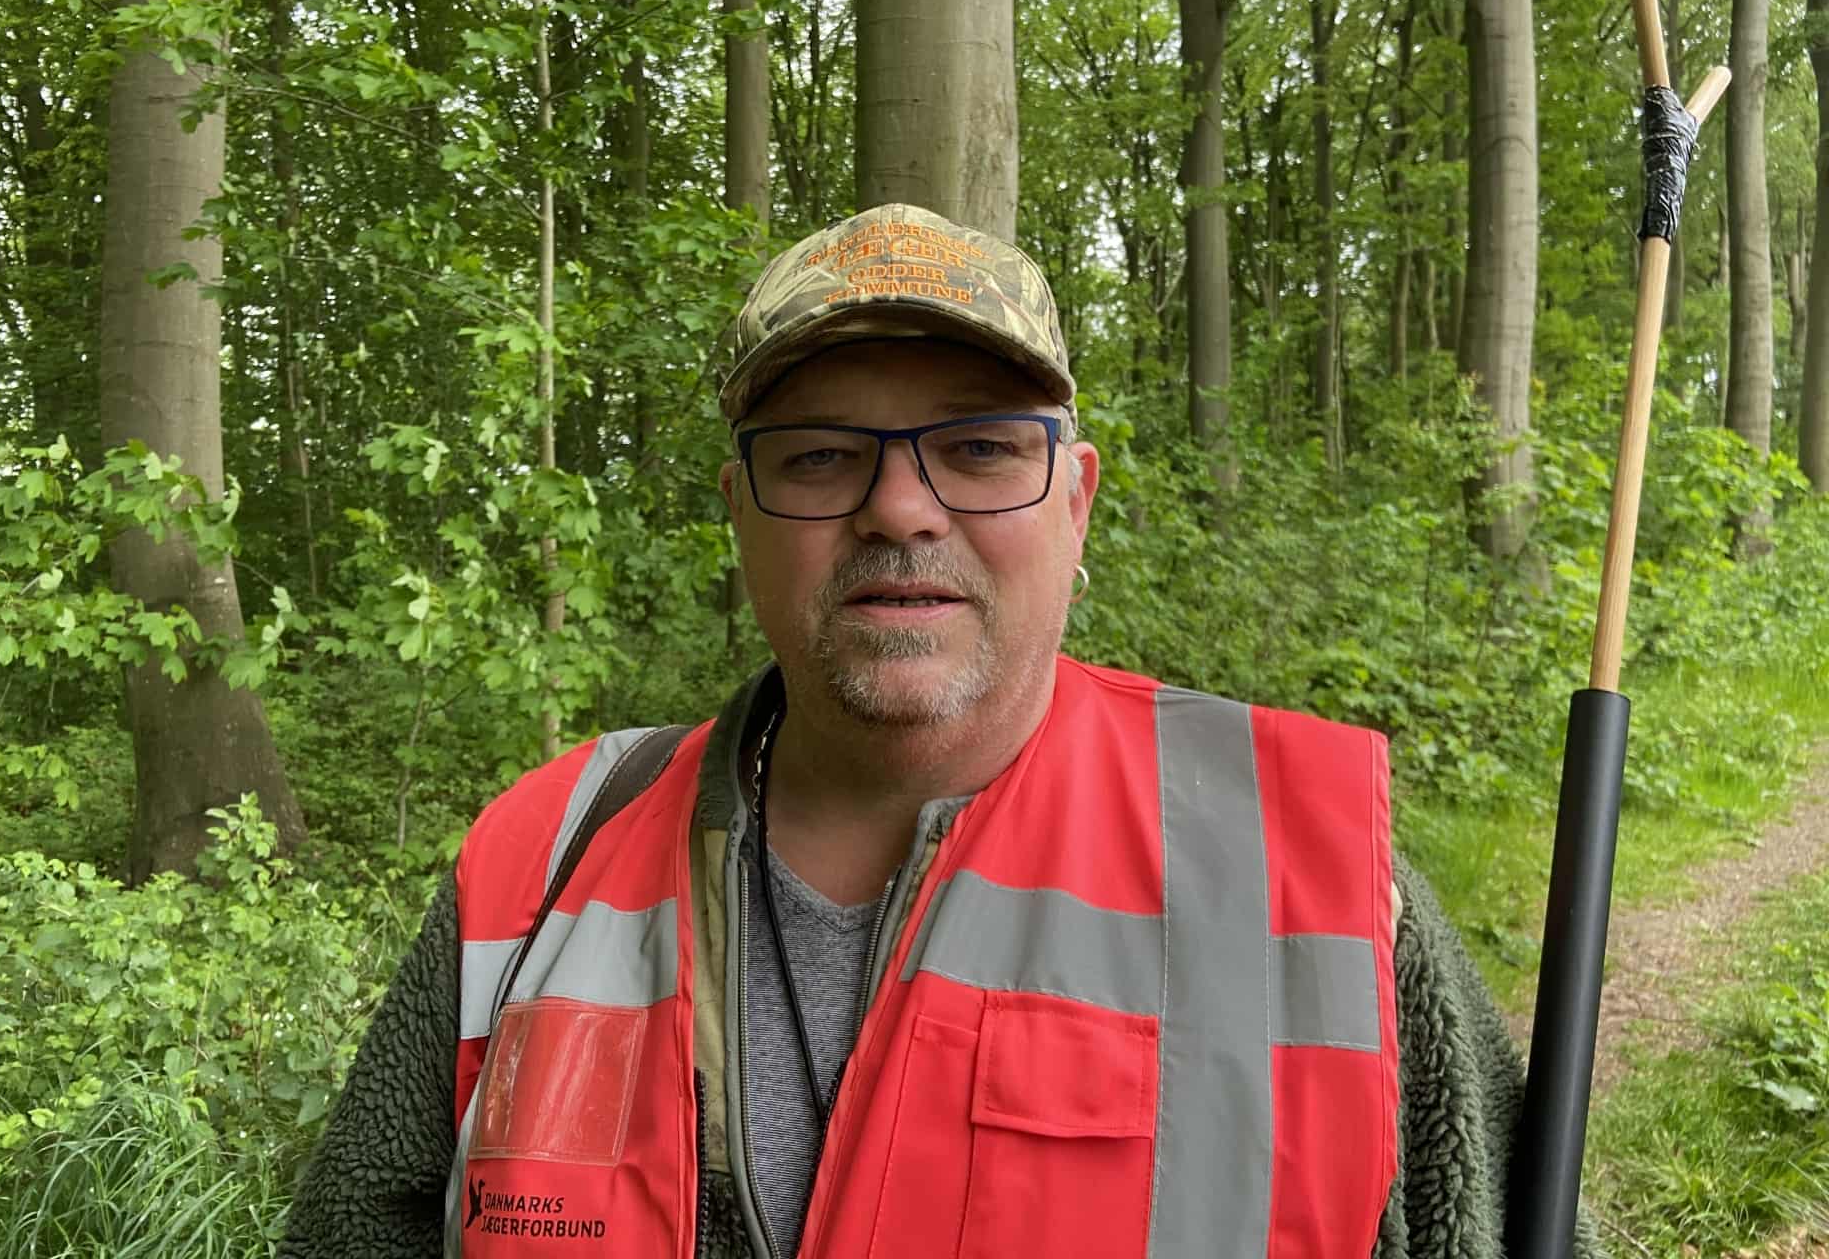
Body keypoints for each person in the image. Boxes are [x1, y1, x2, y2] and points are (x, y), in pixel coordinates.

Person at [281, 203, 1595, 1259]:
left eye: (976, 450)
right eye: (818, 457)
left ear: (1074, 503)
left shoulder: (1312, 894)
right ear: (739, 510)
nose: (901, 510)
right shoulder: (540, 870)